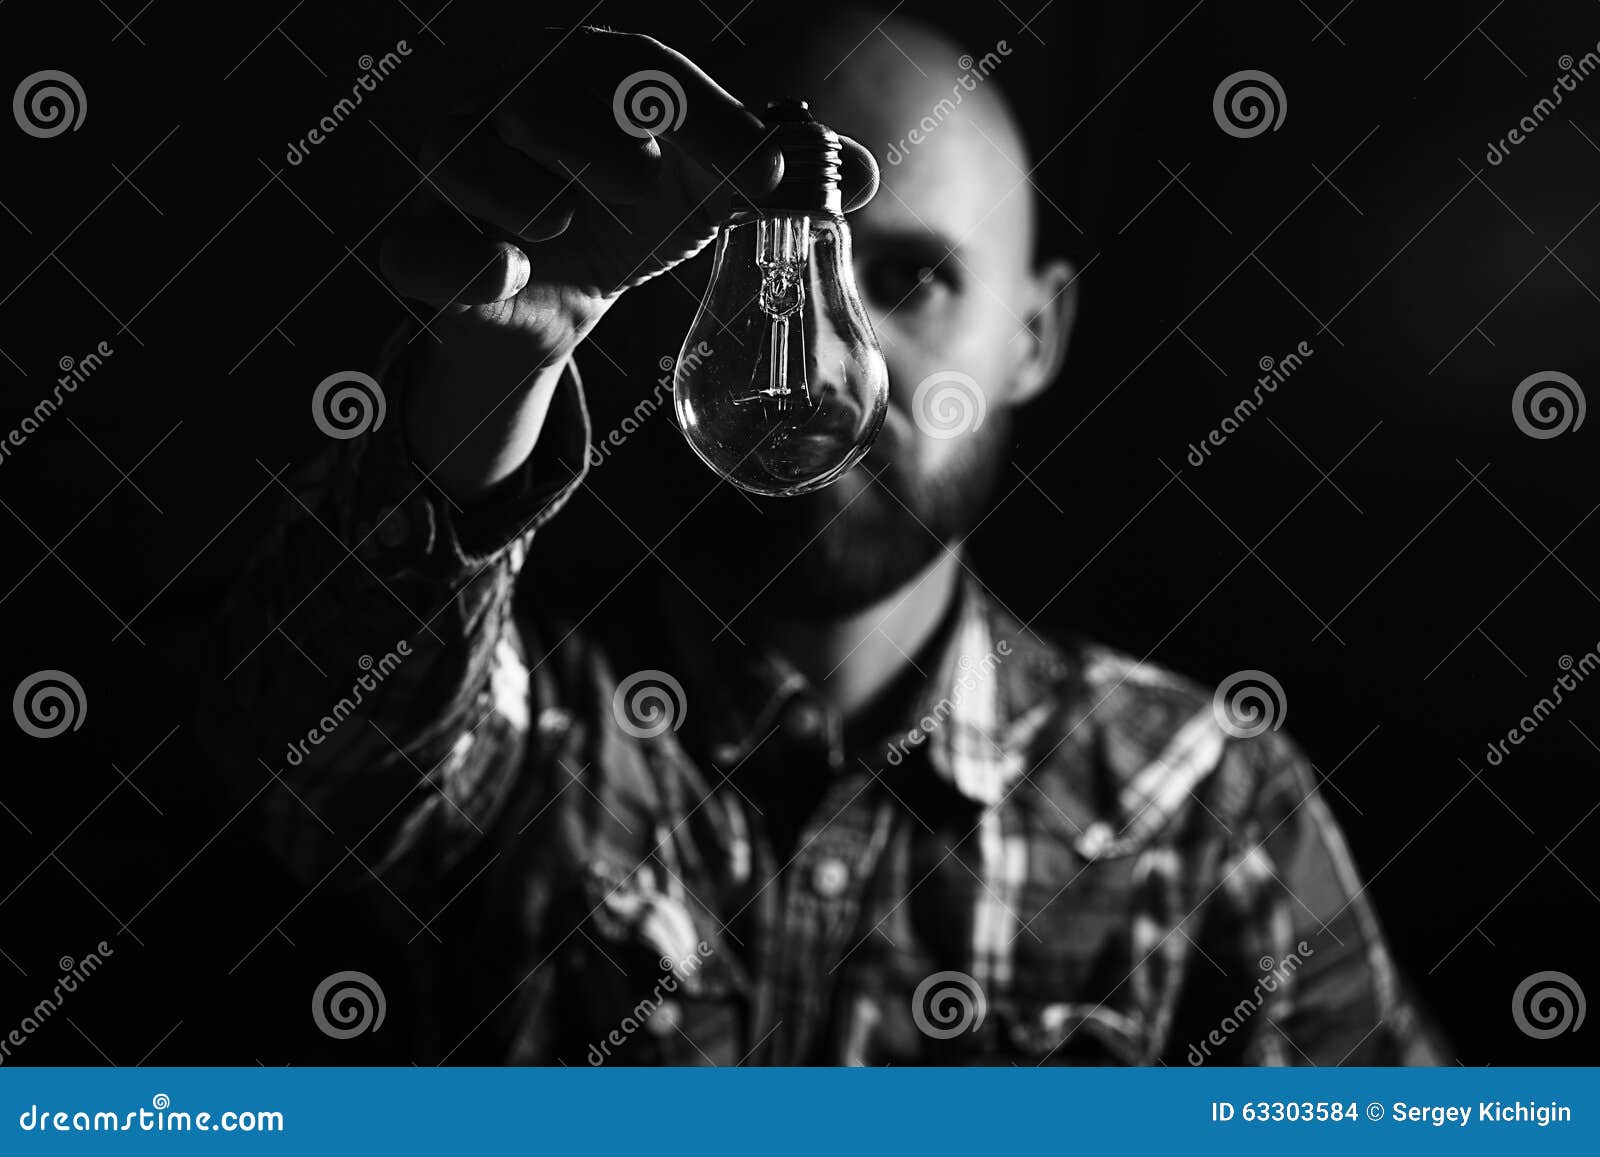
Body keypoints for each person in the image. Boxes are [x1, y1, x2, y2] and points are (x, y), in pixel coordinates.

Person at [206, 12, 1446, 1065]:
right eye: (764, 270)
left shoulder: (1204, 802)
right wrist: (486, 372)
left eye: (906, 278)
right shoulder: (535, 737)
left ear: (1033, 333)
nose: (810, 355)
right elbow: (331, 761)